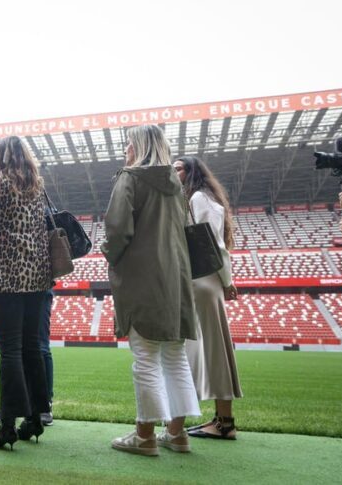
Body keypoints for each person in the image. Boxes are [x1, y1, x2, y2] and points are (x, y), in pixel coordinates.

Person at [102, 124, 200, 456]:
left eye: (129, 144)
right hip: (176, 280)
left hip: (142, 278)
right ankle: (177, 433)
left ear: (139, 147)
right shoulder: (177, 186)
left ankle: (144, 435)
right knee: (175, 358)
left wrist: (109, 255)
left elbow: (117, 230)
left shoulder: (130, 178)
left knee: (144, 357)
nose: (126, 150)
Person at [0, 135, 51, 451]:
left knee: (10, 351)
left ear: (0, 156)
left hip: (6, 274)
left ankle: (7, 425)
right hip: (37, 275)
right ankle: (34, 417)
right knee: (32, 347)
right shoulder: (37, 186)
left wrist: (0, 235)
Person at [173, 156, 243, 440]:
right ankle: (221, 419)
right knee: (211, 350)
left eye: (178, 168)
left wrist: (227, 281)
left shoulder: (200, 198)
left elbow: (213, 243)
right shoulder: (197, 198)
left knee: (213, 351)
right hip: (202, 280)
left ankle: (224, 422)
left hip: (203, 280)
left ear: (190, 172)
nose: (173, 172)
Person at [0, 289, 55, 426]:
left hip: (34, 283)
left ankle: (43, 405)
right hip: (12, 286)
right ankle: (12, 405)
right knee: (11, 348)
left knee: (38, 345)